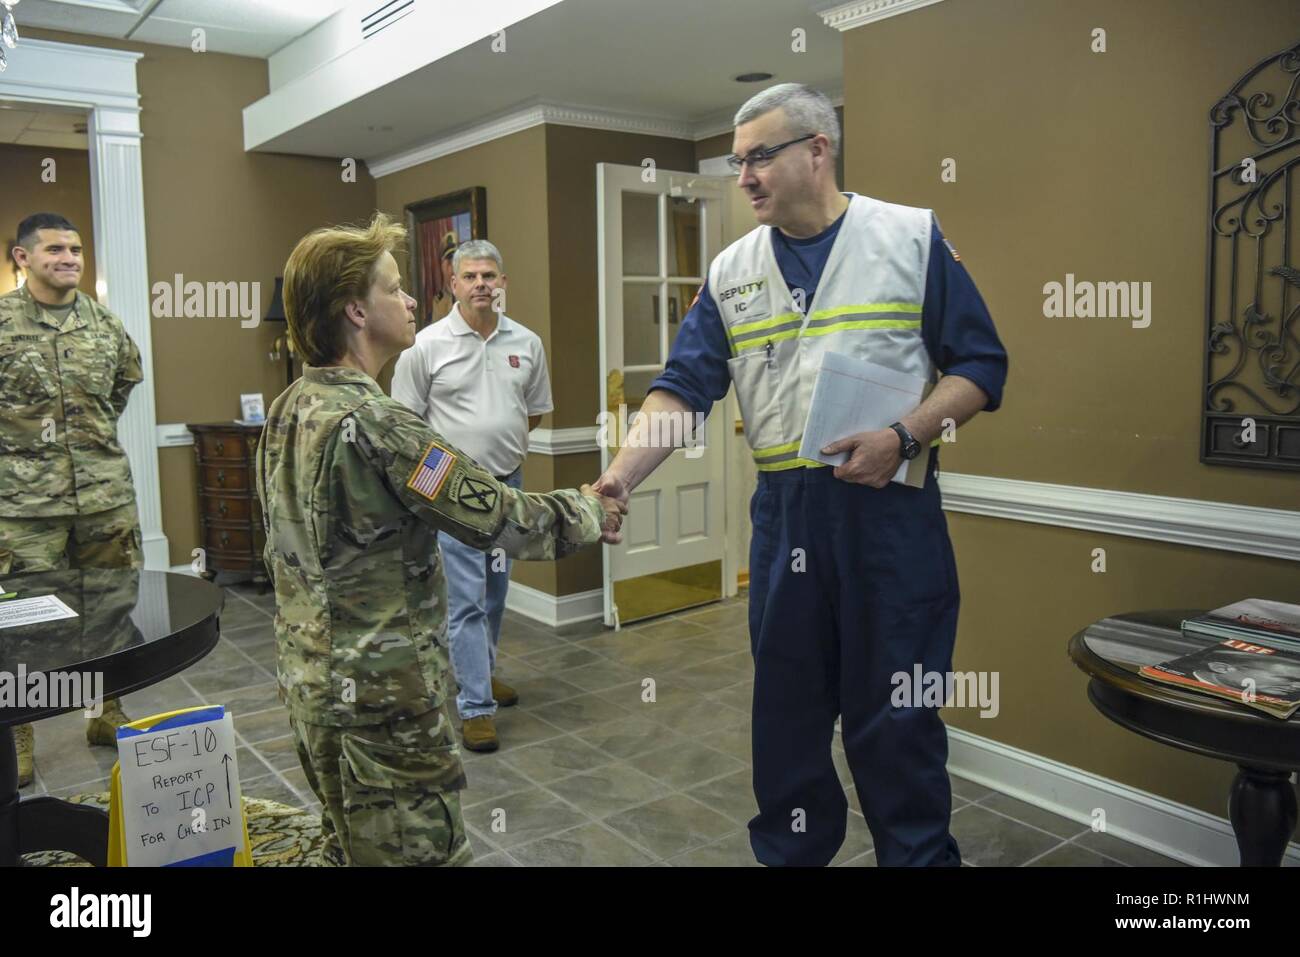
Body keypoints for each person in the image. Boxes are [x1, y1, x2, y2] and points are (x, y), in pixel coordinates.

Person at [593, 84, 1008, 866]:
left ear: (817, 150)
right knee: (786, 724)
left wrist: (904, 435)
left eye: (759, 156)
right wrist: (623, 474)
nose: (743, 175)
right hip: (786, 518)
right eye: (736, 160)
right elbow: (685, 388)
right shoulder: (730, 272)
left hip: (891, 516)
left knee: (898, 724)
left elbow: (982, 366)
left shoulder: (909, 238)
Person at [255, 212, 624, 866]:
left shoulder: (289, 405)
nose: (409, 300)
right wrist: (592, 508)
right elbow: (495, 518)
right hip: (383, 705)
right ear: (355, 312)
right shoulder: (383, 426)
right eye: (393, 288)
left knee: (350, 848)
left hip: (313, 687)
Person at [0, 212, 144, 787]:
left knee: (110, 613)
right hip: (24, 508)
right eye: (55, 249)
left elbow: (123, 385)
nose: (70, 258)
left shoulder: (104, 324)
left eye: (77, 249)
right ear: (23, 257)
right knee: (20, 625)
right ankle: (17, 735)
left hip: (104, 499)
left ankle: (105, 714)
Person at [392, 239, 552, 752]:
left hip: (508, 486)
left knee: (496, 591)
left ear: (503, 283)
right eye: (470, 276)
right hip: (452, 489)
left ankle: (477, 674)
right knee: (464, 600)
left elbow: (533, 412)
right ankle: (476, 707)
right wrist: (442, 477)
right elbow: (405, 424)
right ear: (453, 285)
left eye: (489, 276)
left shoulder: (526, 343)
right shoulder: (426, 345)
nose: (481, 284)